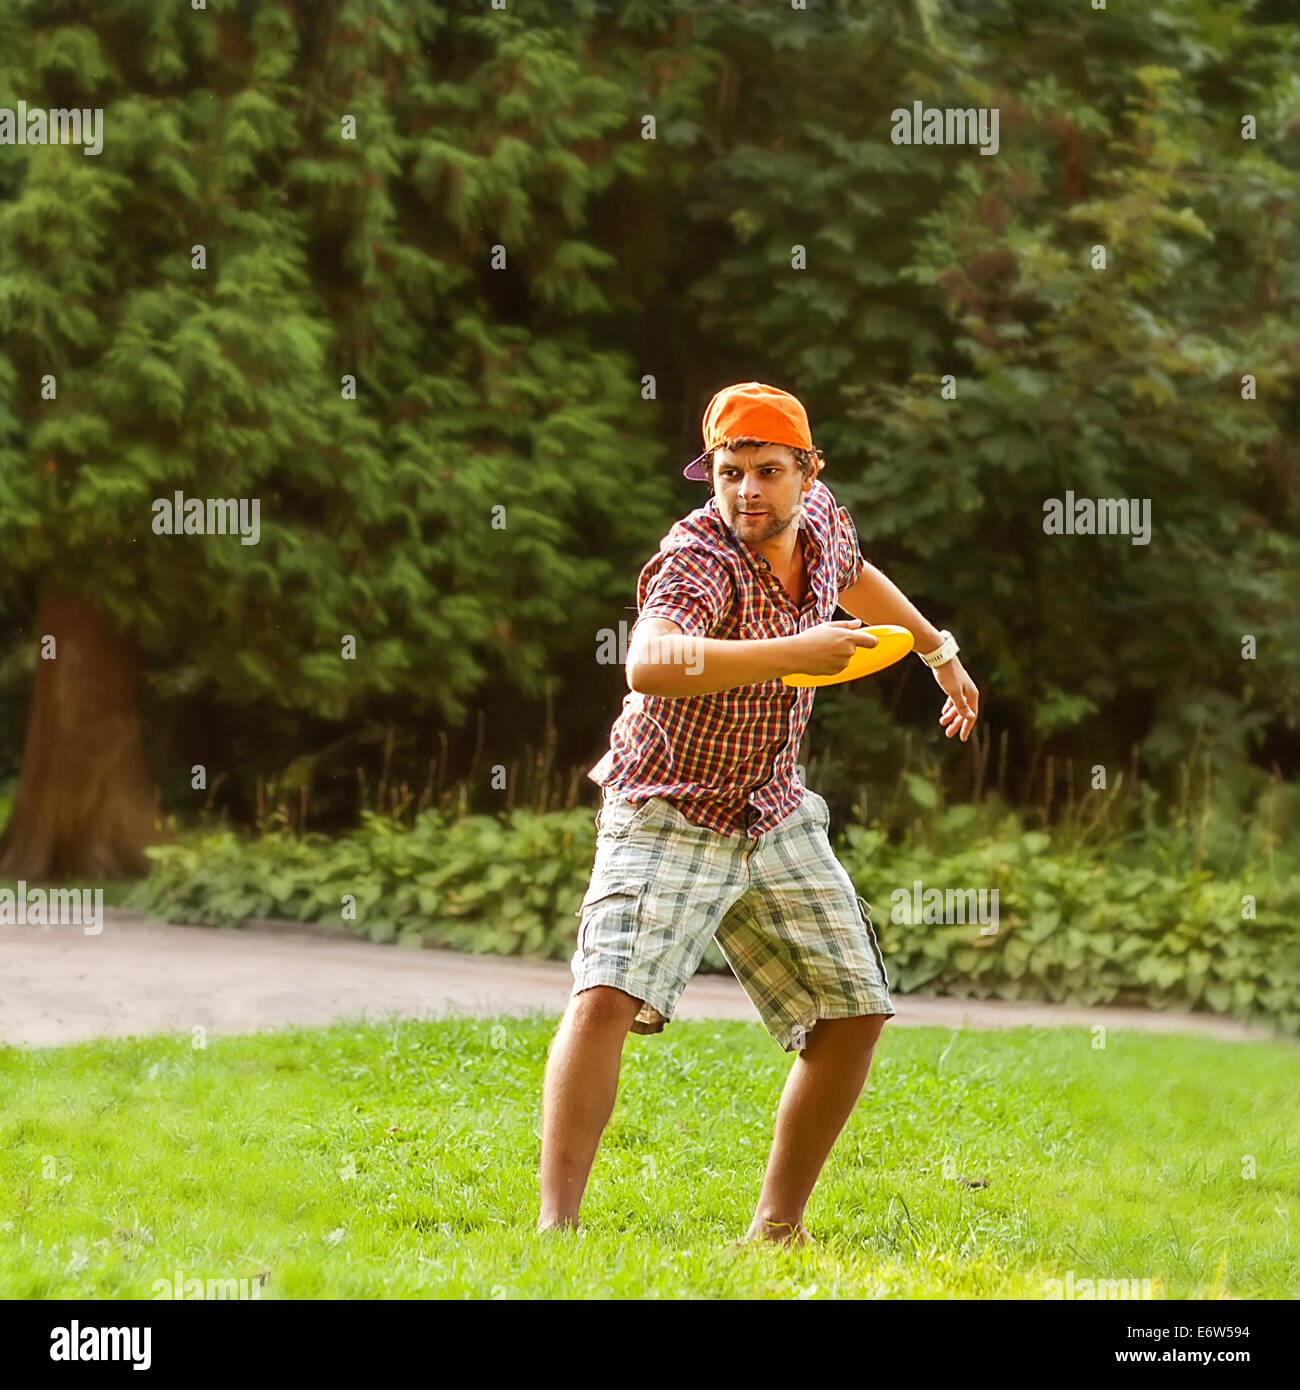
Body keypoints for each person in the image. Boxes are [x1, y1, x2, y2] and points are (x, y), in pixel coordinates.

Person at [538, 381, 980, 1245]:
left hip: (773, 808)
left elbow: (856, 577)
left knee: (857, 1006)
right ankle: (559, 1231)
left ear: (808, 473)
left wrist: (938, 651)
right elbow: (651, 662)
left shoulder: (825, 526)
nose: (748, 491)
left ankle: (777, 1227)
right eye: (730, 472)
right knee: (606, 994)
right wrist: (794, 652)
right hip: (665, 803)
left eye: (768, 471)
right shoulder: (697, 555)